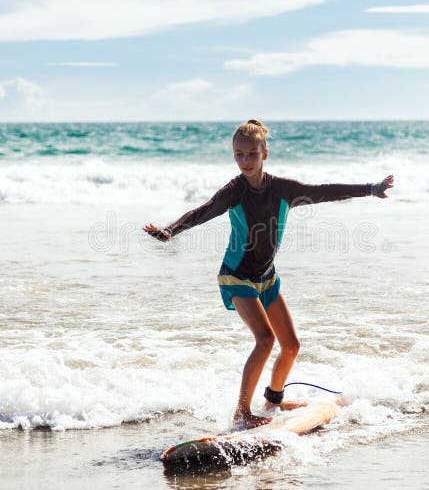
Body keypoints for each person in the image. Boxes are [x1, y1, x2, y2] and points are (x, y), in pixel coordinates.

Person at [143, 119, 394, 429]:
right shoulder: (234, 191)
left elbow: (323, 192)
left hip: (267, 277)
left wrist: (370, 189)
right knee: (265, 339)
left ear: (265, 153)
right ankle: (242, 412)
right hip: (236, 275)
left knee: (291, 346)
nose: (245, 161)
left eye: (251, 154)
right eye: (238, 155)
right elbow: (203, 211)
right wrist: (170, 231)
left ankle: (273, 401)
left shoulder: (282, 189)